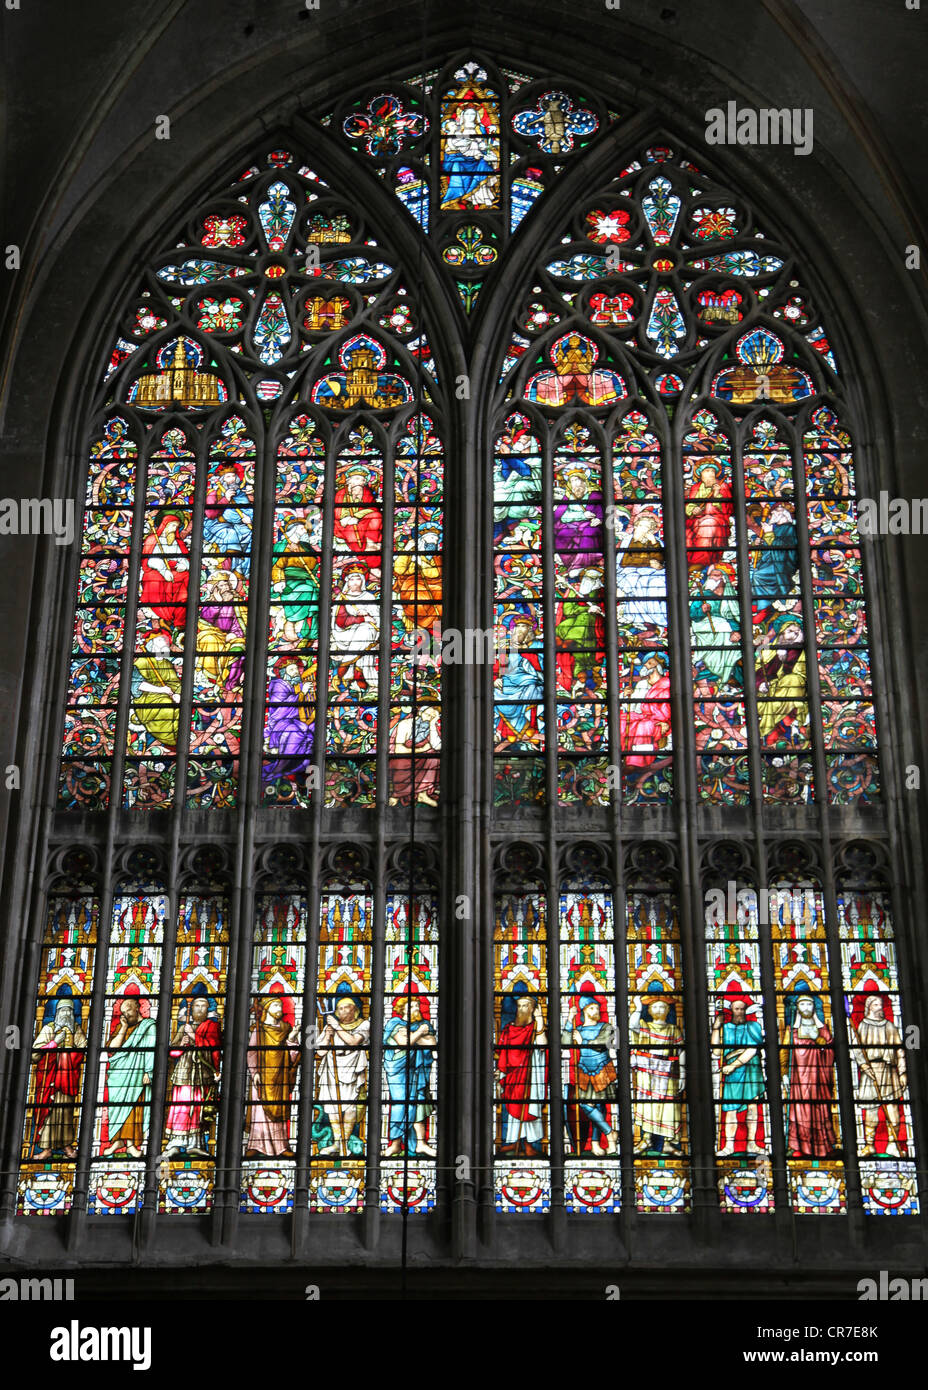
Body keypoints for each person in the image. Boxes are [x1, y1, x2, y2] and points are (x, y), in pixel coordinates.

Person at [160, 993, 222, 1159]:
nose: (200, 1009)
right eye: (196, 1005)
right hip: (184, 1072)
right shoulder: (183, 1028)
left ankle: (195, 1144)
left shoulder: (211, 1027)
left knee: (197, 1110)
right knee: (182, 1107)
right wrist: (182, 1044)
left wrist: (194, 1037)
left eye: (203, 1006)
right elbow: (173, 1052)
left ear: (208, 1010)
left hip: (203, 1073)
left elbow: (214, 1048)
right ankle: (175, 1143)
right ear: (191, 1009)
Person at [780, 989, 838, 1157]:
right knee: (799, 1112)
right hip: (798, 1080)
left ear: (814, 1008)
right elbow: (784, 1053)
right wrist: (784, 1073)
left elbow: (831, 1052)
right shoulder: (792, 1031)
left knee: (820, 1111)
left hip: (818, 1080)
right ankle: (798, 1147)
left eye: (809, 1004)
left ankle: (823, 1146)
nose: (806, 1008)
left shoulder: (822, 1029)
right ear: (798, 1008)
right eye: (803, 1004)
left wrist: (823, 1046)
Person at [851, 991, 908, 1157]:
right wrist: (863, 1065)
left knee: (893, 1111)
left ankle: (893, 1144)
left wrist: (903, 1072)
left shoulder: (889, 1026)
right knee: (871, 1112)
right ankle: (869, 1145)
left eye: (881, 1005)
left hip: (889, 1071)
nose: (880, 1008)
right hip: (870, 1072)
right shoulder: (863, 1025)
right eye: (876, 1005)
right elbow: (857, 1049)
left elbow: (900, 1051)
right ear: (869, 1007)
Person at [30, 992, 87, 1159]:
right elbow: (35, 1054)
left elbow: (85, 1048)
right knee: (48, 1112)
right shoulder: (48, 1030)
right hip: (49, 1079)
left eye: (70, 1011)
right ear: (57, 1013)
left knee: (65, 1114)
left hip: (67, 1080)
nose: (67, 1014)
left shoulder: (75, 1030)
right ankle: (46, 1149)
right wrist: (54, 1043)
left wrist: (71, 1051)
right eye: (63, 1011)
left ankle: (67, 1147)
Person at [100, 995, 157, 1158]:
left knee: (133, 1107)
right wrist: (123, 1027)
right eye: (122, 1012)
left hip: (137, 1073)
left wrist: (148, 1071)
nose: (125, 1015)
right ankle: (117, 1141)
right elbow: (113, 1049)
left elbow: (151, 1049)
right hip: (119, 1075)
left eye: (127, 1011)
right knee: (118, 1106)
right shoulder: (122, 1026)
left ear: (137, 1008)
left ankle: (131, 1143)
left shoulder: (149, 1026)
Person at [315, 986, 370, 1156]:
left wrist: (337, 1027)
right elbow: (320, 1052)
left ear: (355, 1010)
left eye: (347, 1007)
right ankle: (338, 1144)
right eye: (340, 1008)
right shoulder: (331, 1027)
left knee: (350, 1108)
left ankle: (346, 1143)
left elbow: (354, 1041)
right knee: (332, 1108)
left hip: (352, 1071)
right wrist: (327, 1034)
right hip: (331, 1070)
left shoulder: (364, 1024)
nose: (343, 1010)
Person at [244, 995, 301, 1158]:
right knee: (260, 1113)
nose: (280, 1009)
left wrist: (291, 1038)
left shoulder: (286, 1029)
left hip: (280, 1076)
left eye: (281, 1006)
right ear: (267, 1008)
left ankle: (281, 1146)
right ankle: (256, 1144)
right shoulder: (259, 1030)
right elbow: (252, 1052)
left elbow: (292, 1056)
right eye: (276, 1005)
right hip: (262, 1077)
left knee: (279, 1110)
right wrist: (254, 1072)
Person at [561, 993, 618, 1156]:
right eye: (592, 1008)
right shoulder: (577, 1029)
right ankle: (609, 1133)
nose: (596, 1010)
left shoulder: (607, 1027)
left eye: (597, 1007)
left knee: (600, 1107)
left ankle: (596, 1144)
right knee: (586, 1104)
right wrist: (569, 1019)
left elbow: (606, 1043)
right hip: (584, 1070)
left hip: (603, 1069)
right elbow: (564, 1043)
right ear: (584, 1010)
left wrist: (582, 1042)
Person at [382, 990, 437, 1157]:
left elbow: (432, 1042)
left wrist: (415, 1036)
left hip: (417, 1070)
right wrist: (420, 1033)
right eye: (412, 1005)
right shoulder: (394, 1023)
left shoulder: (419, 1024)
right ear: (402, 1009)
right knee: (400, 1104)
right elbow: (404, 1042)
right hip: (397, 1070)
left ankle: (421, 1143)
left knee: (420, 1102)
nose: (416, 1008)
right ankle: (395, 1143)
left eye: (417, 1005)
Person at [630, 993, 686, 1155]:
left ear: (668, 1010)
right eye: (655, 1006)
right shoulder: (645, 1026)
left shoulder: (673, 1029)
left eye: (662, 1006)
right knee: (649, 1105)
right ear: (650, 1009)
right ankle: (646, 1139)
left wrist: (683, 1072)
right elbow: (631, 1026)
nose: (659, 1009)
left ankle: (667, 1142)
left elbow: (682, 1050)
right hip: (647, 1074)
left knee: (667, 1107)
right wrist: (637, 1008)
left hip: (668, 1074)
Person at [711, 995, 765, 1155]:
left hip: (750, 1068)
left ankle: (751, 1144)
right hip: (732, 1071)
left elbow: (753, 1049)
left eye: (742, 1009)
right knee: (731, 1108)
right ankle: (728, 1146)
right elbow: (716, 1051)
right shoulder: (725, 1028)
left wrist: (733, 1065)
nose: (740, 1012)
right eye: (737, 1009)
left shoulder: (753, 1026)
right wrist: (715, 1028)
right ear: (731, 1010)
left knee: (752, 1107)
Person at [497, 989, 547, 1157]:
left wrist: (540, 1022)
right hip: (513, 1076)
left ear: (533, 1008)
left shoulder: (535, 1028)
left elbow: (542, 1046)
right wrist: (501, 1071)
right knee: (514, 1109)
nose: (521, 1009)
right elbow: (504, 1054)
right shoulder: (509, 1029)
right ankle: (514, 1142)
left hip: (532, 1074)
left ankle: (530, 1144)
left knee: (530, 1107)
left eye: (525, 1006)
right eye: (519, 1006)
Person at [494, 615, 544, 748]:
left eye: (523, 626)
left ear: (530, 630)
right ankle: (506, 732)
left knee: (532, 689)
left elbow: (542, 667)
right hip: (510, 683)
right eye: (517, 626)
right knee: (494, 693)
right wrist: (495, 680)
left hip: (531, 680)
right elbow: (498, 667)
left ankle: (531, 730)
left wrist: (525, 652)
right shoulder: (507, 646)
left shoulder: (538, 645)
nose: (519, 630)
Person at [685, 461, 733, 566]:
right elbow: (689, 505)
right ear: (700, 474)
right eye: (707, 471)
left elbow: (727, 509)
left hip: (717, 520)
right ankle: (690, 561)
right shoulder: (696, 487)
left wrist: (716, 495)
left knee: (708, 524)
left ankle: (703, 560)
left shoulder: (722, 486)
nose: (711, 474)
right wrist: (693, 510)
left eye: (713, 471)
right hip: (695, 520)